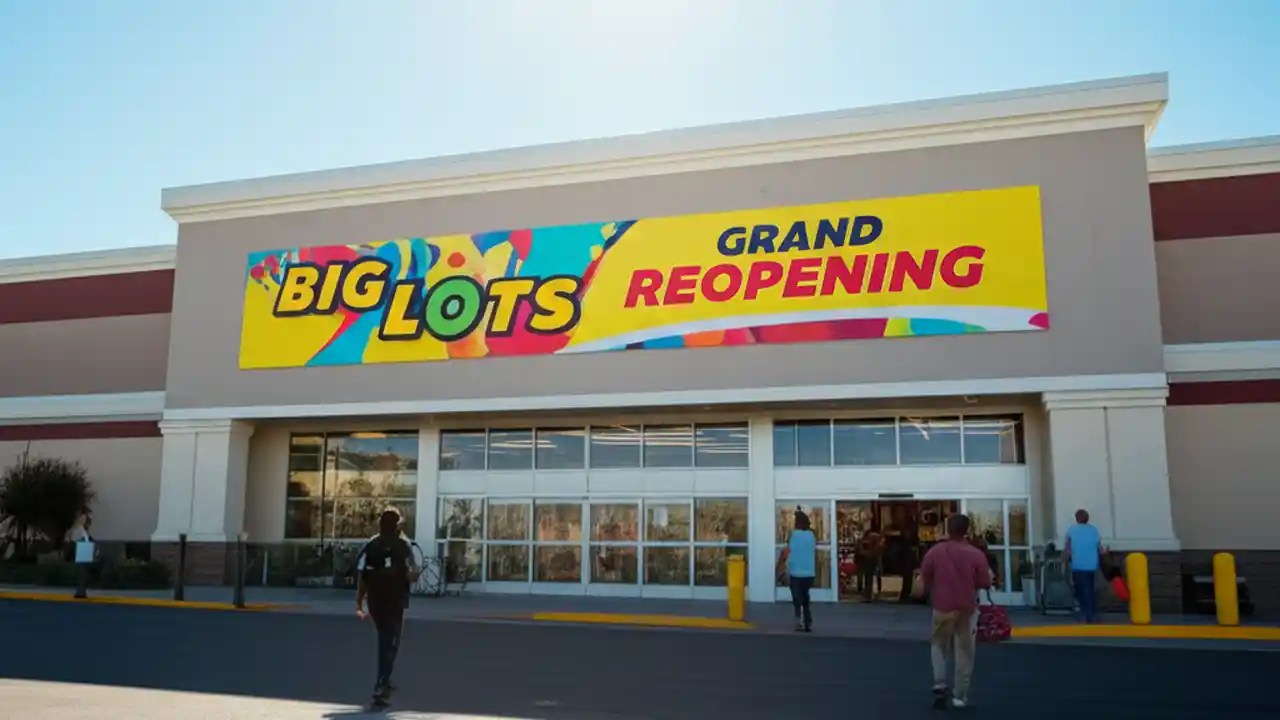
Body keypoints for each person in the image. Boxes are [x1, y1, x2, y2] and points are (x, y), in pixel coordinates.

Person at [919, 514, 992, 710]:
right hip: (967, 608)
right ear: (966, 530)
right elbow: (985, 582)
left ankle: (939, 684)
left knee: (938, 645)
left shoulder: (935, 552)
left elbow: (924, 576)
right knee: (964, 651)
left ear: (947, 529)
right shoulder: (976, 554)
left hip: (942, 605)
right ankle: (960, 695)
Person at [355, 508, 421, 707]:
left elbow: (363, 575)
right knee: (390, 642)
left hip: (375, 602)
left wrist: (359, 601)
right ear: (396, 525)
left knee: (386, 639)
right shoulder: (404, 545)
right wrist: (413, 575)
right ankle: (382, 684)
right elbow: (412, 573)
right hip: (395, 601)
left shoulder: (371, 545)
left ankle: (384, 682)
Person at [776, 507, 817, 632]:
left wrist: (779, 564)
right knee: (805, 597)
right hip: (809, 572)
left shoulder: (794, 535)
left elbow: (787, 551)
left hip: (796, 571)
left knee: (797, 599)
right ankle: (808, 621)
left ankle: (798, 621)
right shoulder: (812, 535)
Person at [1064, 508, 1104, 623]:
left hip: (1078, 565)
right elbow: (1099, 548)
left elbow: (1068, 549)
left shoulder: (1072, 530)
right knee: (1090, 589)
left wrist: (1065, 559)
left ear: (1077, 518)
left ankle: (1084, 615)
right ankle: (1092, 615)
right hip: (1092, 565)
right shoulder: (1093, 530)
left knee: (1081, 590)